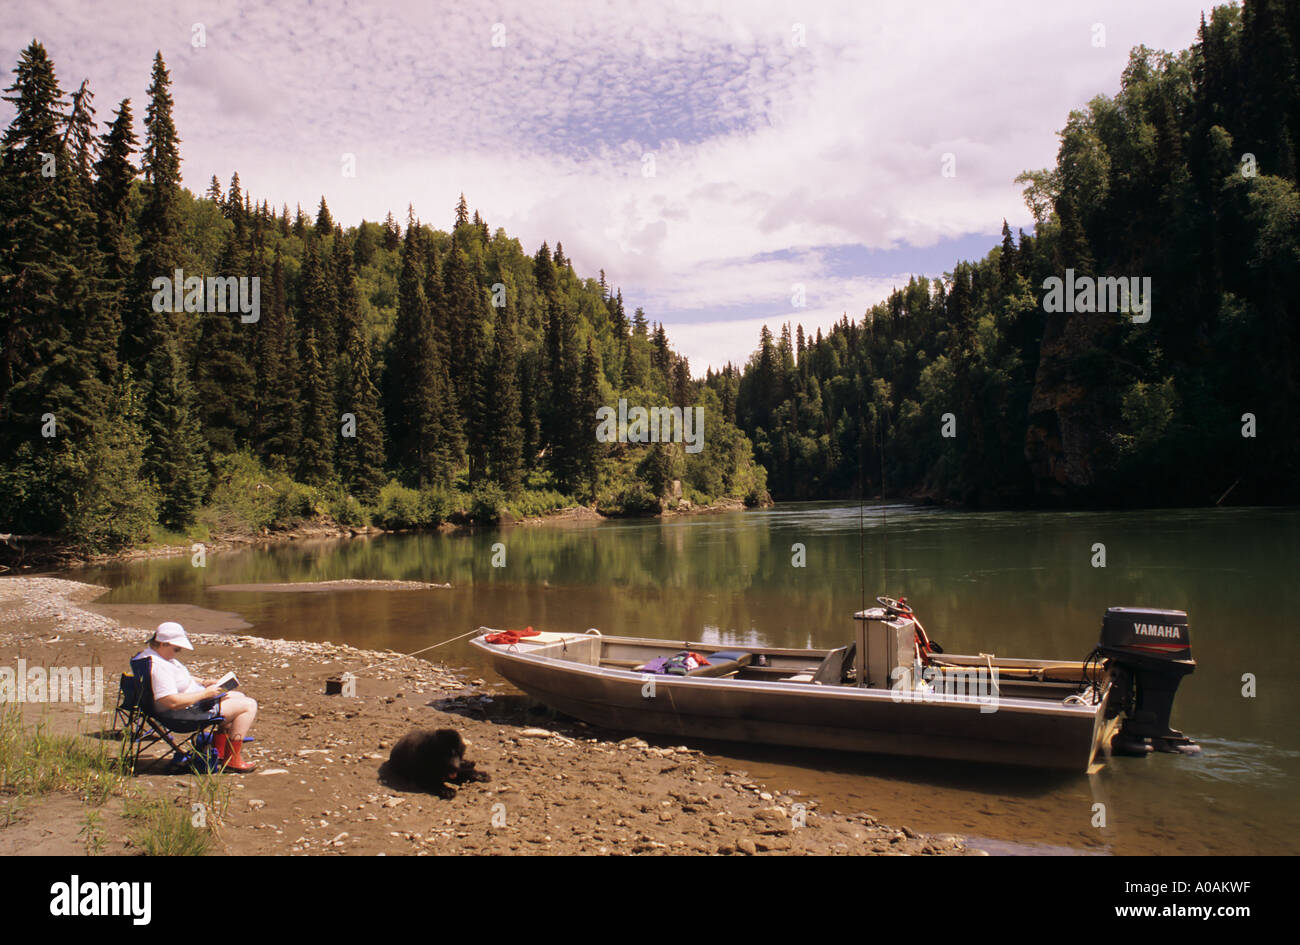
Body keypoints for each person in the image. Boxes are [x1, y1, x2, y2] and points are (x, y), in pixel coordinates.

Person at [137, 622, 258, 772]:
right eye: (176, 649)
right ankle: (233, 760)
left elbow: (178, 677)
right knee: (249, 705)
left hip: (188, 705)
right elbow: (170, 702)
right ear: (163, 644)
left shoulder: (149, 657)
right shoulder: (159, 667)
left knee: (238, 695)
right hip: (184, 714)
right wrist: (205, 694)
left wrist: (204, 682)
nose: (178, 652)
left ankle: (220, 751)